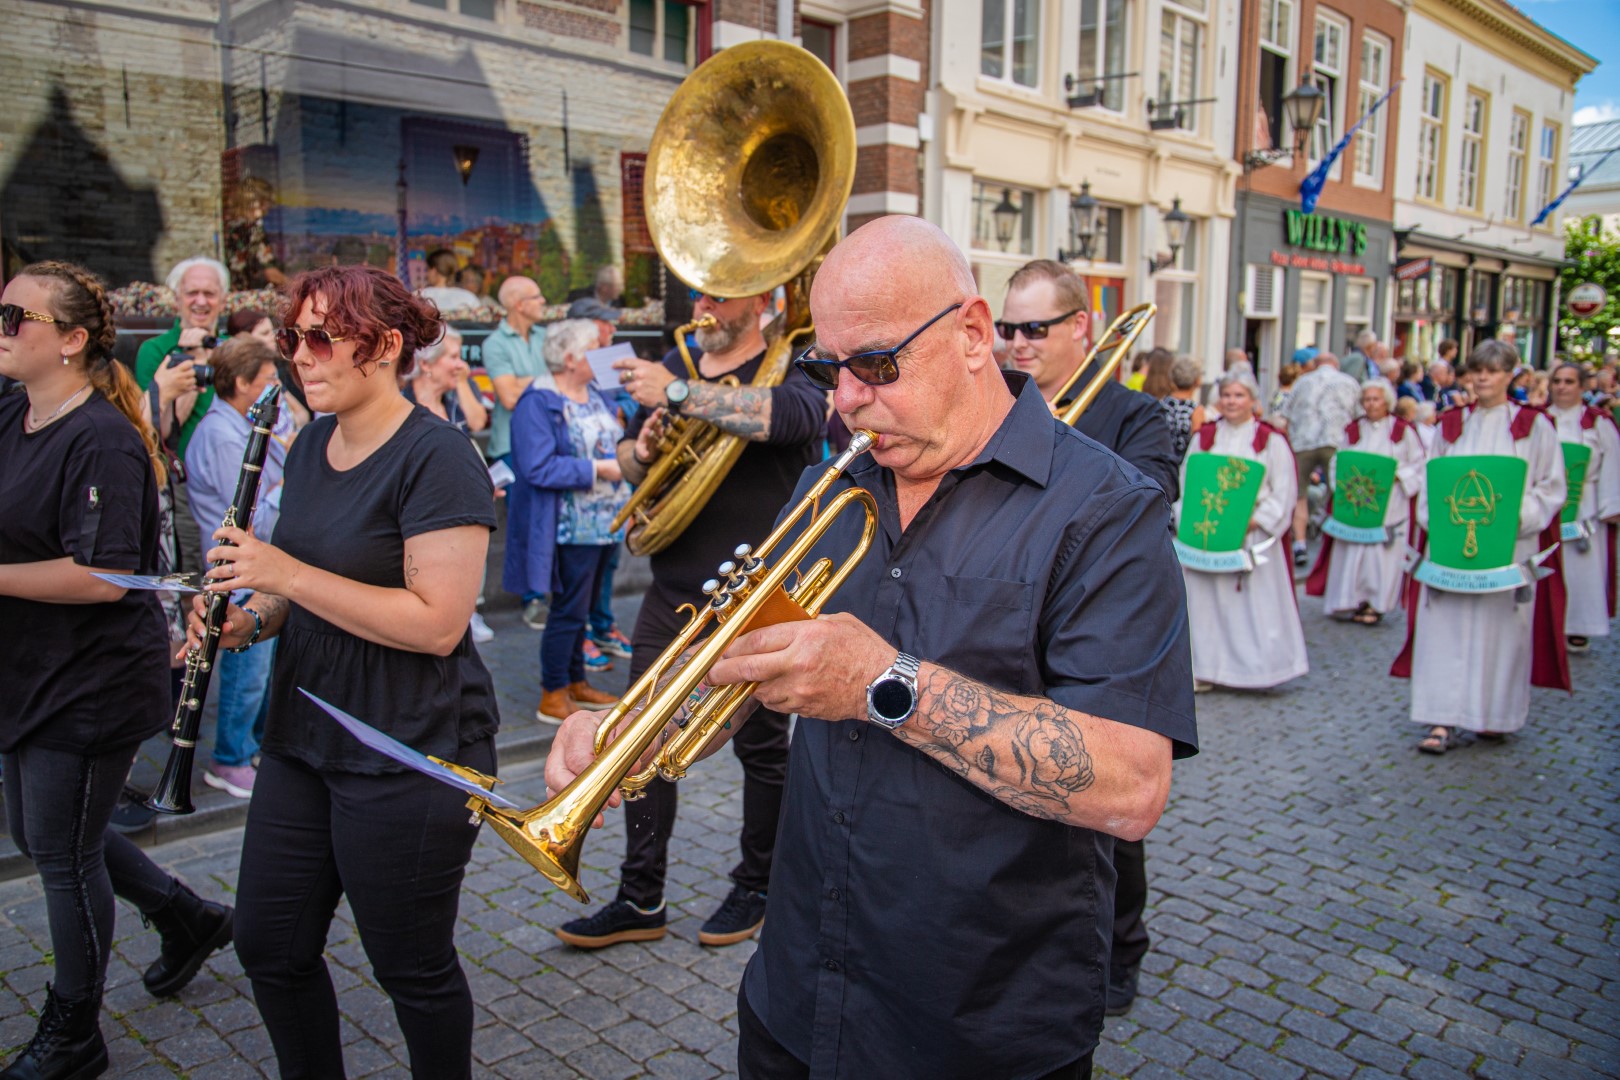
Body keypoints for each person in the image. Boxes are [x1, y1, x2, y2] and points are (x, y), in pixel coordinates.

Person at [545, 215, 1197, 1076]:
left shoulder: (1105, 509)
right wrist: (636, 734)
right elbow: (735, 672)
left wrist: (886, 684)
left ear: (971, 334)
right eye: (828, 368)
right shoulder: (831, 487)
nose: (844, 398)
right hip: (796, 994)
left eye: (877, 365)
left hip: (976, 1022)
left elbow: (1130, 785)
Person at [186, 264, 499, 1078]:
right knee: (268, 942)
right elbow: (309, 582)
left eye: (321, 338)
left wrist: (281, 575)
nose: (302, 357)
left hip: (409, 746)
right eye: (292, 339)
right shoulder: (314, 440)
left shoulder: (438, 457)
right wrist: (247, 621)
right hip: (306, 730)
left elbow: (437, 624)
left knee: (411, 969)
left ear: (387, 345)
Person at [0, 261, 235, 1079]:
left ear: (69, 341)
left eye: (13, 318)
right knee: (46, 832)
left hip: (90, 678)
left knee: (61, 854)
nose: (1, 331)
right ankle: (186, 913)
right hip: (27, 667)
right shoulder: (14, 409)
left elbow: (101, 576)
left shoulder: (102, 435)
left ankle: (75, 1030)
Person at [550, 281, 828, 952]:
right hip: (673, 585)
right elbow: (626, 460)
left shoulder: (793, 362)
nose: (705, 308)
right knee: (637, 737)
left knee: (763, 747)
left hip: (757, 590)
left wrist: (677, 396)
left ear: (760, 301)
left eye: (722, 297)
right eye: (700, 294)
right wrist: (643, 453)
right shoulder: (672, 364)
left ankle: (758, 883)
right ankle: (641, 896)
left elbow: (792, 418)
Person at [1393, 341, 1568, 753]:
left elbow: (1551, 486)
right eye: (1477, 371)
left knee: (1501, 632)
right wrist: (1439, 524)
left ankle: (1493, 716)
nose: (1483, 378)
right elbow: (1435, 485)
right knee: (1445, 630)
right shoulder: (1452, 425)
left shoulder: (1533, 425)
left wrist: (1512, 518)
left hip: (1507, 549)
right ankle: (1441, 719)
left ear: (1511, 375)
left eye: (1493, 371)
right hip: (1452, 548)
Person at [182, 336, 291, 799]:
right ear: (243, 383)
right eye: (269, 380)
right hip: (237, 569)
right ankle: (227, 759)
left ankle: (252, 749)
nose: (278, 389)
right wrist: (290, 485)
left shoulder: (242, 426)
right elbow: (252, 518)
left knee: (261, 673)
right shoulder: (223, 434)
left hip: (254, 567)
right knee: (245, 675)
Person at [506, 318, 628, 722]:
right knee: (569, 611)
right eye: (595, 345)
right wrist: (599, 470)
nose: (603, 352)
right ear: (572, 357)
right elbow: (537, 467)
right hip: (570, 526)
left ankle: (576, 682)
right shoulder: (537, 400)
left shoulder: (594, 391)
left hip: (605, 523)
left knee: (585, 608)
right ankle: (553, 693)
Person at [1000, 260, 1180, 498]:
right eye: (1008, 330)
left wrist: (1054, 441)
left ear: (1078, 325)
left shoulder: (1138, 415)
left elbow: (1145, 507)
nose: (1018, 344)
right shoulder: (999, 403)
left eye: (1035, 329)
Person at [1179, 368, 1308, 692]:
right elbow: (1189, 482)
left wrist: (1257, 520)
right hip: (1208, 537)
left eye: (1238, 395)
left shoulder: (1270, 441)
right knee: (1204, 604)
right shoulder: (1204, 437)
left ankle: (1255, 671)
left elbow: (1284, 490)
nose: (1231, 401)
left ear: (1253, 399)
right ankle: (1204, 669)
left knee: (1251, 606)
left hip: (1250, 537)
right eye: (1226, 395)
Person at [1305, 378, 1425, 625]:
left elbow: (1419, 465)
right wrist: (1343, 486)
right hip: (1356, 503)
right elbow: (1339, 462)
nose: (1371, 404)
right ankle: (1349, 600)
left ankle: (1375, 604)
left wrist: (1397, 475)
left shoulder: (1402, 431)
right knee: (1351, 554)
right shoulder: (1353, 430)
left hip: (1390, 504)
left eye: (1376, 399)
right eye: (1367, 399)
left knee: (1380, 558)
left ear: (1387, 402)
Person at [406, 328, 495, 645]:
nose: (461, 364)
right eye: (453, 357)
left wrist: (459, 382)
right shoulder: (403, 401)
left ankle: (470, 609)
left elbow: (477, 422)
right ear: (427, 364)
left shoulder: (455, 399)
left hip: (462, 495)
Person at [565, 297, 636, 667]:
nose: (611, 332)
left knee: (607, 564)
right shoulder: (571, 376)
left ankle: (602, 627)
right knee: (579, 578)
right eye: (603, 326)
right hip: (583, 497)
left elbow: (634, 402)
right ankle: (584, 637)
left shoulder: (608, 362)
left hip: (612, 488)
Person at [483, 275, 557, 629]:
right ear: (519, 304)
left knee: (554, 523)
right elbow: (509, 398)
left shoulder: (548, 337)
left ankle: (554, 594)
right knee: (526, 525)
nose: (544, 302)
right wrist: (545, 379)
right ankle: (533, 600)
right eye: (537, 296)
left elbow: (562, 381)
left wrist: (522, 380)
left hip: (550, 443)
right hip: (512, 447)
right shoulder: (495, 343)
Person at [1547, 363, 1620, 651]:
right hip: (1548, 502)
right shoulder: (1539, 419)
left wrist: (1611, 503)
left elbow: (1613, 461)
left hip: (1586, 502)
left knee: (1582, 567)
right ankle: (1544, 624)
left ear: (1581, 387)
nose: (1562, 386)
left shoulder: (1597, 422)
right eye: (1557, 381)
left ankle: (1579, 625)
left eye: (1568, 381)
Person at [1278, 350, 1359, 565]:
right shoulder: (1349, 382)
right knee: (1341, 493)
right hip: (1336, 441)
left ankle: (1300, 544)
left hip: (1303, 441)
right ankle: (1338, 543)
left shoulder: (1303, 382)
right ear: (1336, 364)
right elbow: (1358, 416)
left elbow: (1285, 414)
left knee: (1300, 494)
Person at [1157, 355, 1205, 460]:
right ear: (1197, 381)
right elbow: (1197, 445)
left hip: (1159, 463)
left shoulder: (1159, 405)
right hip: (1182, 465)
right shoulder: (1195, 410)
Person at [415, 249, 481, 311]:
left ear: (434, 270)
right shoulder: (469, 297)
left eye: (428, 269)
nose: (427, 274)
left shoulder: (419, 296)